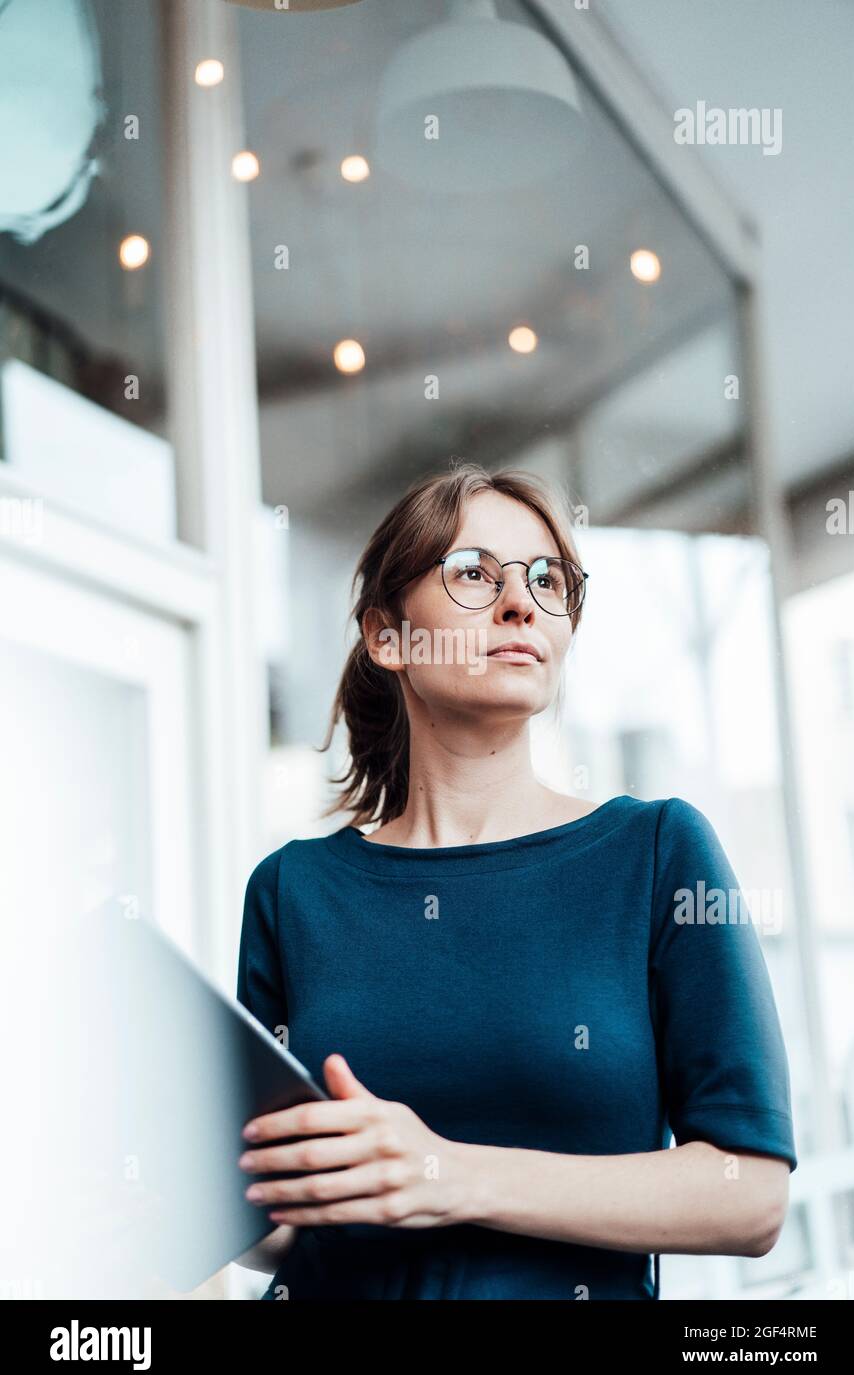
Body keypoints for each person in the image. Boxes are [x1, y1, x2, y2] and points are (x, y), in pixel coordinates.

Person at [234, 460, 797, 1300]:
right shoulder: (291, 890)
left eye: (548, 579)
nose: (520, 602)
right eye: (472, 573)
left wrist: (450, 1175)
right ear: (387, 635)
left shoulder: (654, 853)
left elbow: (749, 1196)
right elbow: (276, 1216)